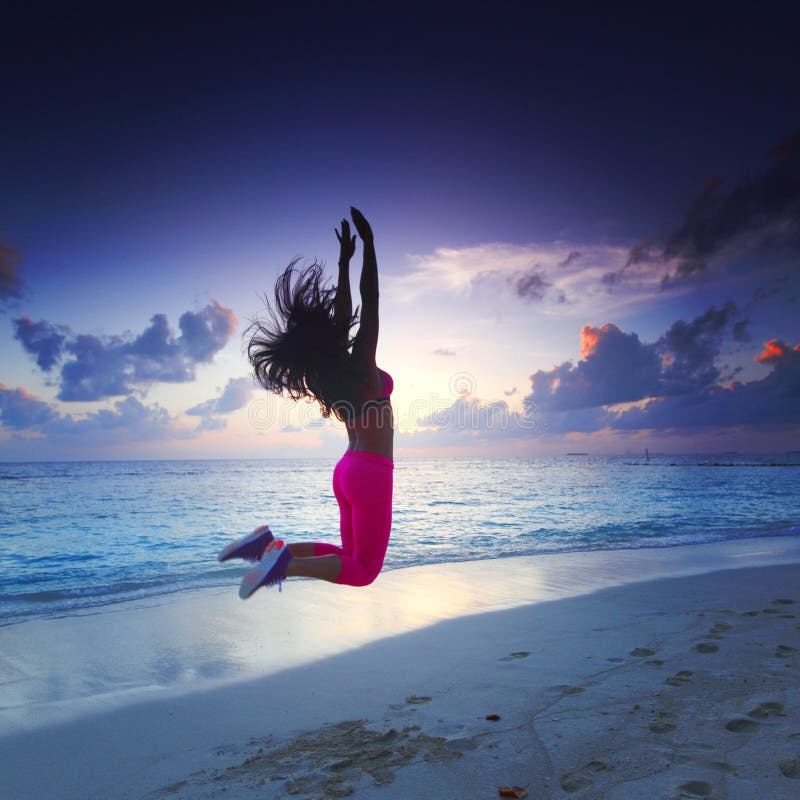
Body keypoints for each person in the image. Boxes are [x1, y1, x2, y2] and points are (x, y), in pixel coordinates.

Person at [218, 207, 394, 597]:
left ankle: (262, 547)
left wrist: (345, 260)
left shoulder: (328, 377)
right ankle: (282, 564)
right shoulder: (363, 370)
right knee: (364, 571)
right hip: (371, 473)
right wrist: (368, 246)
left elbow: (344, 317)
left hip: (348, 470)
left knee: (350, 555)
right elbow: (371, 300)